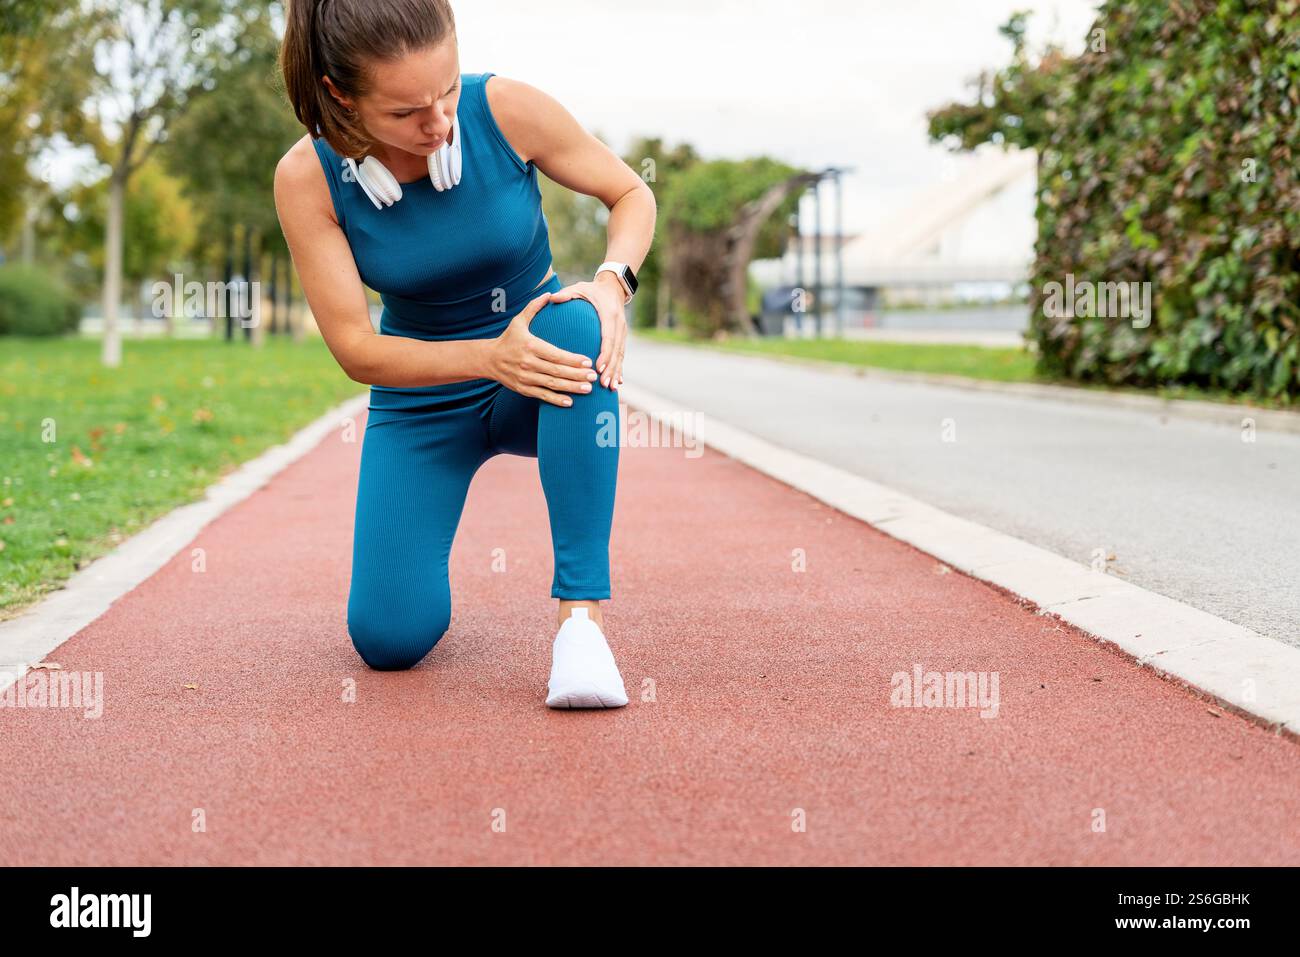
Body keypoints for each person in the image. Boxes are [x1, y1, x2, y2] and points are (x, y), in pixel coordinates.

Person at [274, 0, 656, 708]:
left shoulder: (505, 110)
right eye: (406, 112)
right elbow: (357, 350)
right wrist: (488, 357)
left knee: (577, 321)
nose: (440, 123)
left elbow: (630, 192)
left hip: (539, 371)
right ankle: (414, 592)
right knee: (389, 640)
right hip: (423, 398)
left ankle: (581, 624)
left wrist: (613, 285)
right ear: (340, 95)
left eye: (447, 89)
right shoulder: (307, 178)